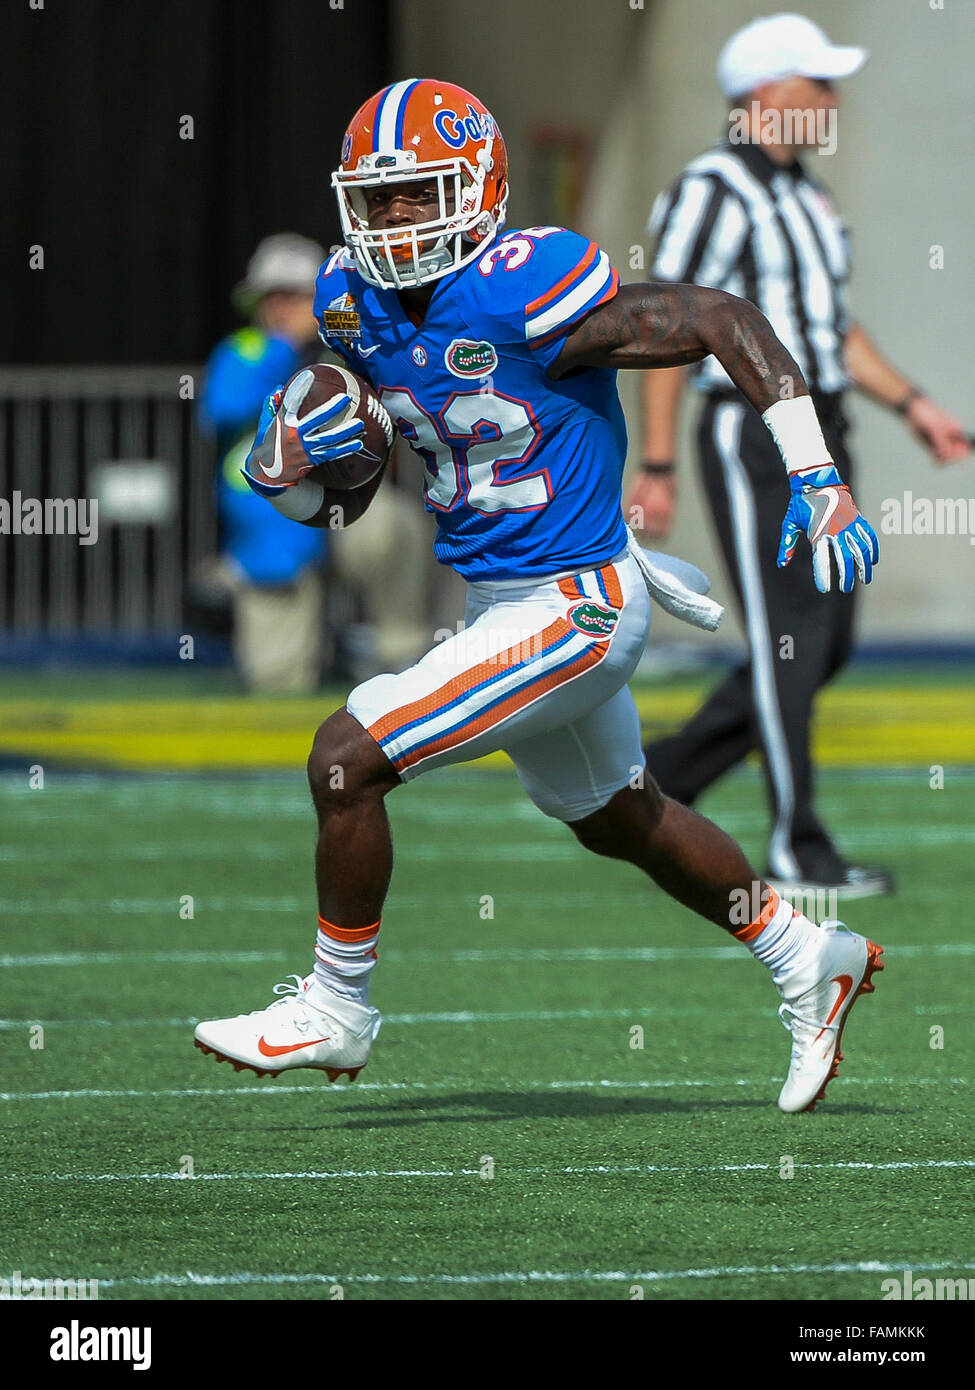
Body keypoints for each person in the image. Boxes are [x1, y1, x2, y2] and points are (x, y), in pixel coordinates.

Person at [194, 78, 883, 1114]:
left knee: (346, 758)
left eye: (418, 194)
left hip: (575, 607)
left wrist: (813, 471)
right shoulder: (353, 304)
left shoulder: (526, 286)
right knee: (619, 816)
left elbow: (719, 315)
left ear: (477, 189)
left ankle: (340, 1008)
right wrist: (314, 466)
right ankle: (806, 954)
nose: (393, 220)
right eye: (376, 200)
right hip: (504, 598)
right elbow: (381, 461)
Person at [628, 14, 971, 896]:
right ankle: (796, 850)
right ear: (760, 95)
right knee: (791, 636)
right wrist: (657, 464)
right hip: (749, 431)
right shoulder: (712, 188)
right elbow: (664, 322)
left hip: (819, 429)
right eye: (814, 82)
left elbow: (831, 329)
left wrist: (912, 405)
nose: (830, 99)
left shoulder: (805, 198)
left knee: (826, 639)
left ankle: (663, 776)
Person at [199, 233, 331, 692]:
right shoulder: (245, 351)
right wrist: (284, 351)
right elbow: (221, 410)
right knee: (277, 683)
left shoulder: (351, 350)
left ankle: (395, 652)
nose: (282, 307)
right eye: (271, 296)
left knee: (396, 535)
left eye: (295, 295)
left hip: (348, 514)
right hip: (274, 527)